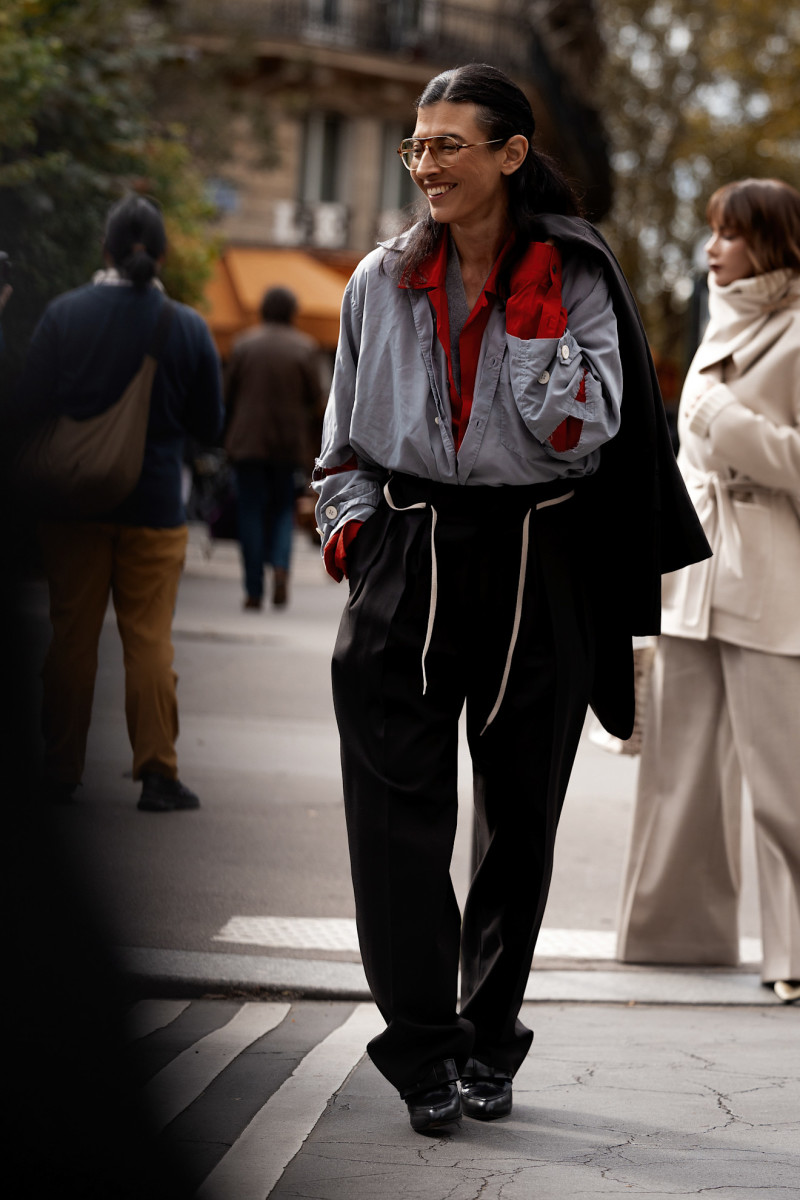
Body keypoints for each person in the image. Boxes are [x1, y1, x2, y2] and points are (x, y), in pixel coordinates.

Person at [313, 62, 710, 1133]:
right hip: (409, 552)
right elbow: (340, 438)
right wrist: (353, 529)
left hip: (540, 557)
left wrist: (534, 337)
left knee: (516, 823)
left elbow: (589, 435)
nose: (426, 165)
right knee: (393, 820)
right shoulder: (372, 280)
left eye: (448, 145)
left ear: (508, 154)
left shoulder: (575, 276)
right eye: (416, 146)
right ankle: (422, 1047)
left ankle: (488, 1038)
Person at [617, 178, 800, 1007]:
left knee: (782, 780)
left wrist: (730, 425)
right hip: (695, 572)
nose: (711, 250)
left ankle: (790, 955)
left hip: (771, 575)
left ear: (770, 241)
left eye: (727, 235)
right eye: (711, 234)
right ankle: (677, 938)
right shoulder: (719, 319)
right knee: (677, 769)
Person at [16, 194, 223, 811]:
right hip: (155, 505)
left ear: (104, 249)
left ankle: (60, 768)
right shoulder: (185, 326)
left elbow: (25, 405)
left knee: (72, 636)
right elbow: (210, 423)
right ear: (161, 255)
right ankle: (157, 773)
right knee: (150, 641)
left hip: (72, 503)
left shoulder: (63, 315)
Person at [224, 286, 322, 609]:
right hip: (287, 445)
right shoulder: (305, 348)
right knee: (282, 511)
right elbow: (318, 402)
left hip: (248, 444)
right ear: (292, 311)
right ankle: (280, 569)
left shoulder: (243, 345)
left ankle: (253, 589)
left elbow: (227, 396)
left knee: (250, 511)